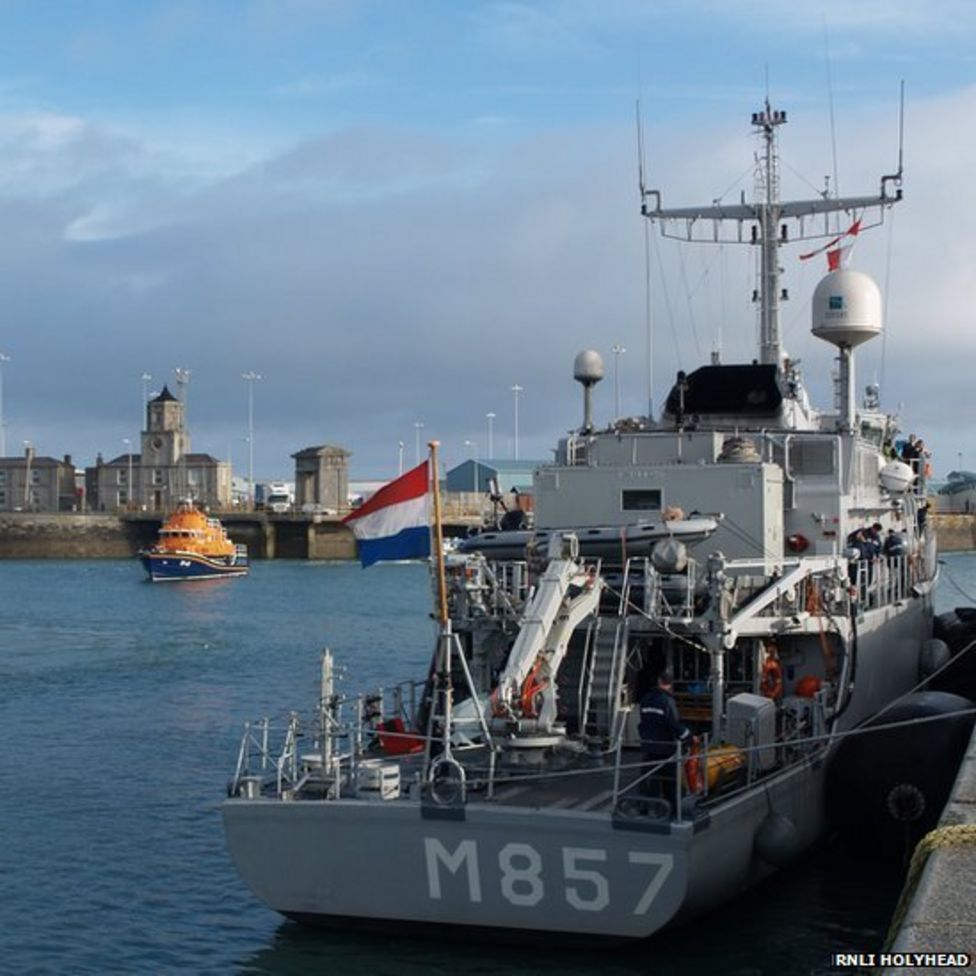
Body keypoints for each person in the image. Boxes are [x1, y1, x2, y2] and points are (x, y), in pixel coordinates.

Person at [638, 670, 692, 810]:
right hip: (666, 748)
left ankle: (645, 807)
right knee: (670, 781)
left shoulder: (645, 699)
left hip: (649, 746)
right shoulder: (667, 702)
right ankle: (673, 809)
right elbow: (673, 724)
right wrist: (688, 736)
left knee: (650, 778)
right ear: (670, 684)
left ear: (659, 681)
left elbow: (643, 722)